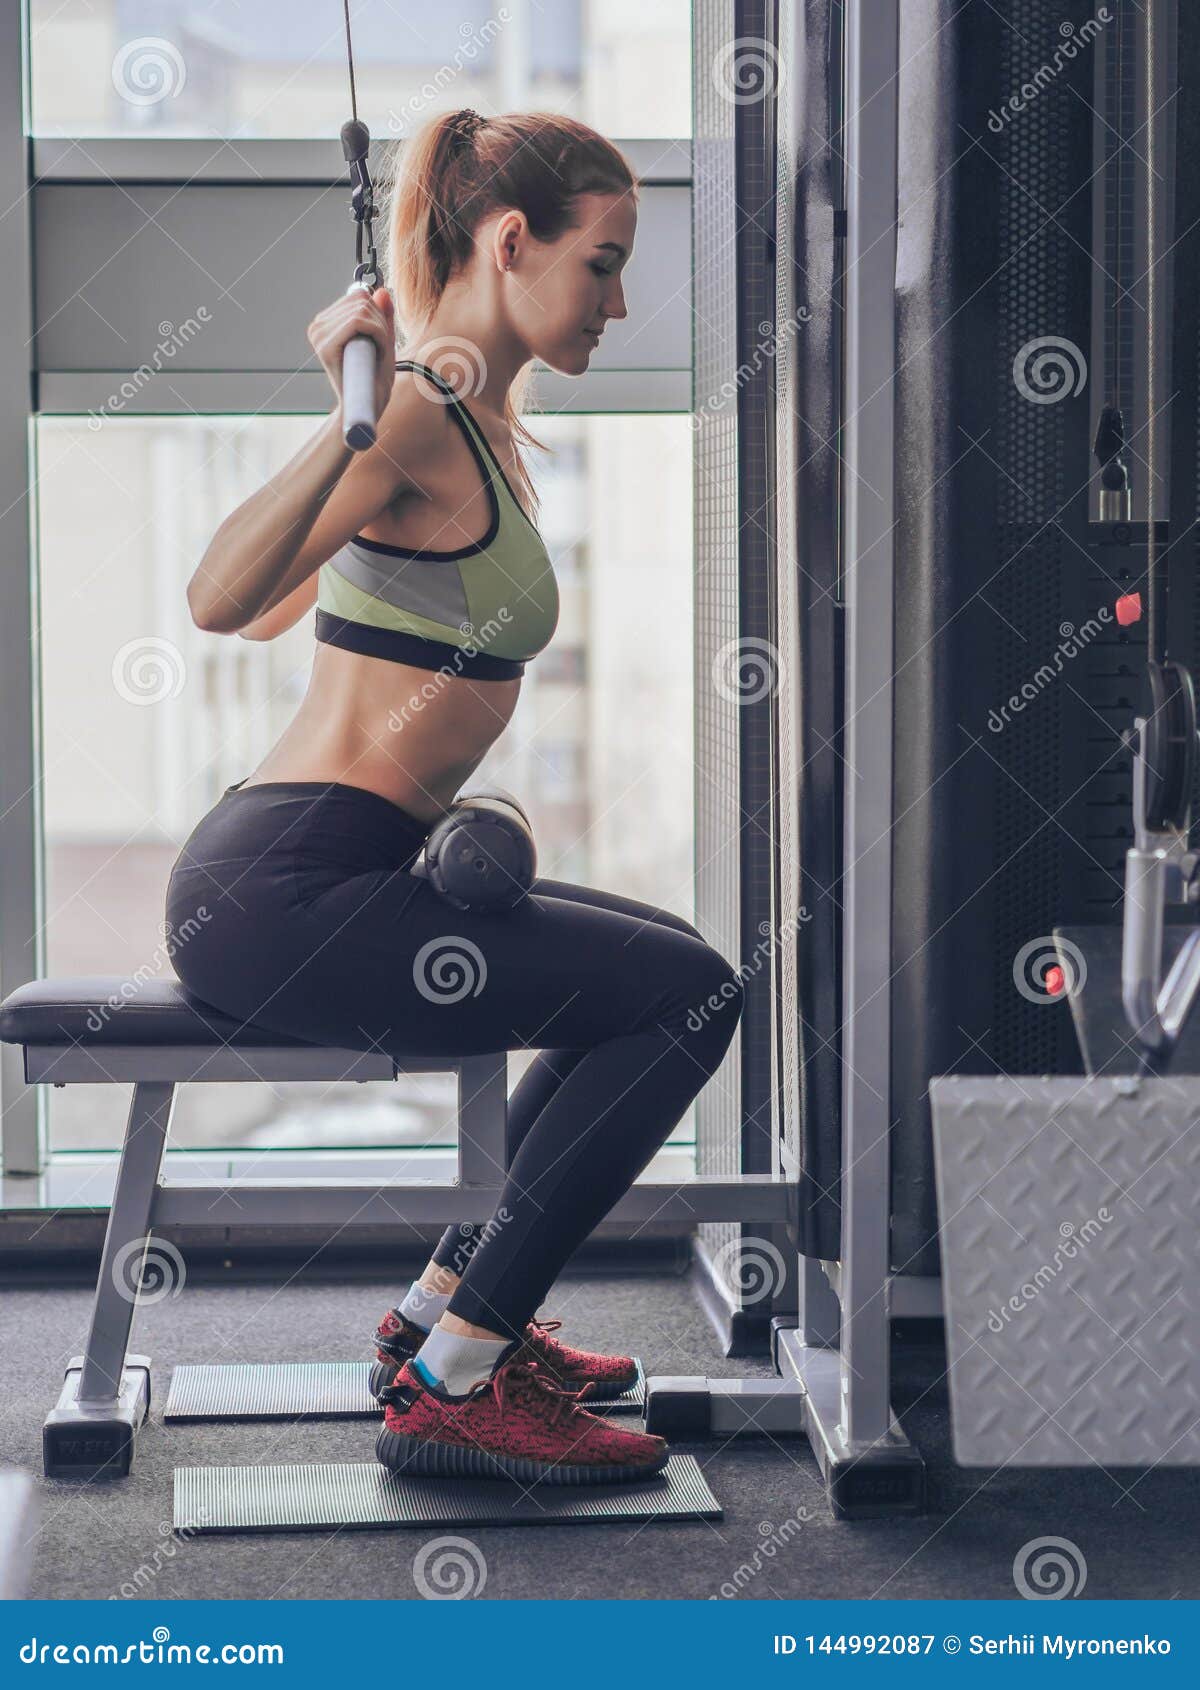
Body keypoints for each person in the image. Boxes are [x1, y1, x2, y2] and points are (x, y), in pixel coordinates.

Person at [166, 107, 745, 1487]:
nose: (618, 300)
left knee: (668, 979)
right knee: (687, 999)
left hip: (343, 863)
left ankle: (444, 1318)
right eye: (601, 262)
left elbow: (281, 615)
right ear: (508, 241)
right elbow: (218, 599)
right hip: (289, 884)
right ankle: (457, 1385)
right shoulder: (420, 410)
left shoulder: (470, 416)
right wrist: (349, 415)